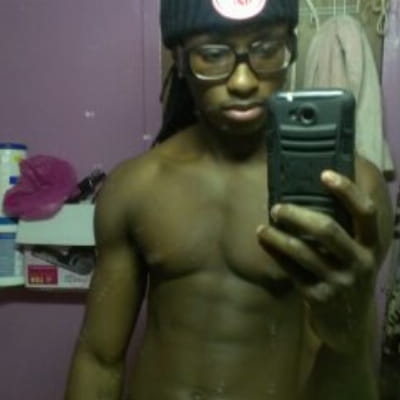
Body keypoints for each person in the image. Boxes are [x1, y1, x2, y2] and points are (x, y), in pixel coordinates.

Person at [65, 1, 393, 399]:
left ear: (290, 48)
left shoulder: (351, 192)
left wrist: (351, 333)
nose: (242, 81)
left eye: (266, 49)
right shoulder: (135, 187)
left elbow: (349, 368)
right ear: (181, 60)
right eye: (212, 54)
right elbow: (99, 360)